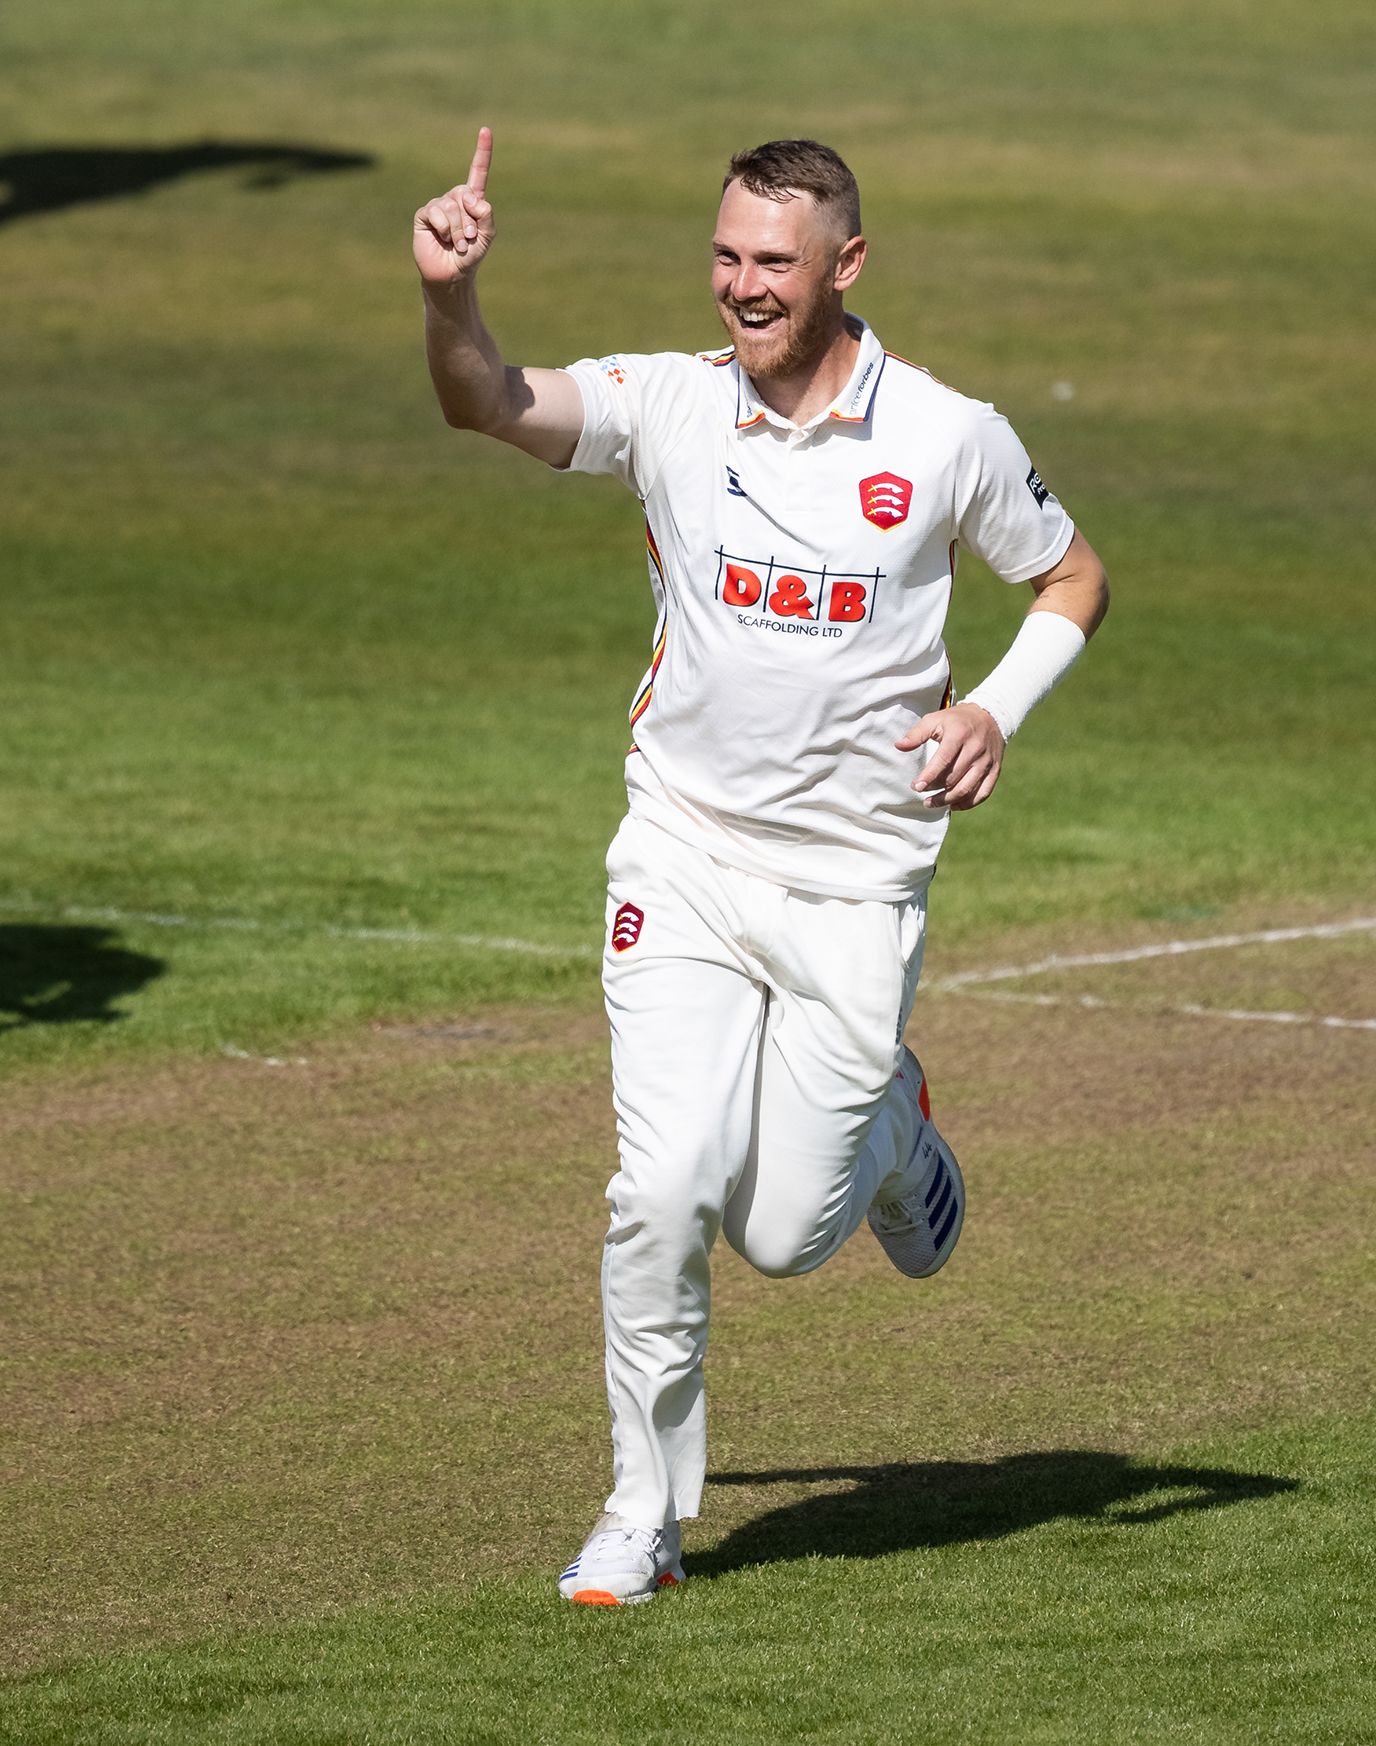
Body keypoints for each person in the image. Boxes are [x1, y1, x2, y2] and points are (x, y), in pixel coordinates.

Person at [414, 130, 1110, 1606]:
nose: (741, 287)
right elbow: (484, 400)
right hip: (683, 852)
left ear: (845, 265)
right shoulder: (669, 401)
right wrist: (448, 300)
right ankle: (641, 1510)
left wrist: (995, 707)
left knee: (788, 1234)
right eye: (725, 257)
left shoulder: (946, 435)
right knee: (658, 1189)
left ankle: (896, 1133)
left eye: (773, 264)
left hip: (857, 882)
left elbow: (1072, 576)